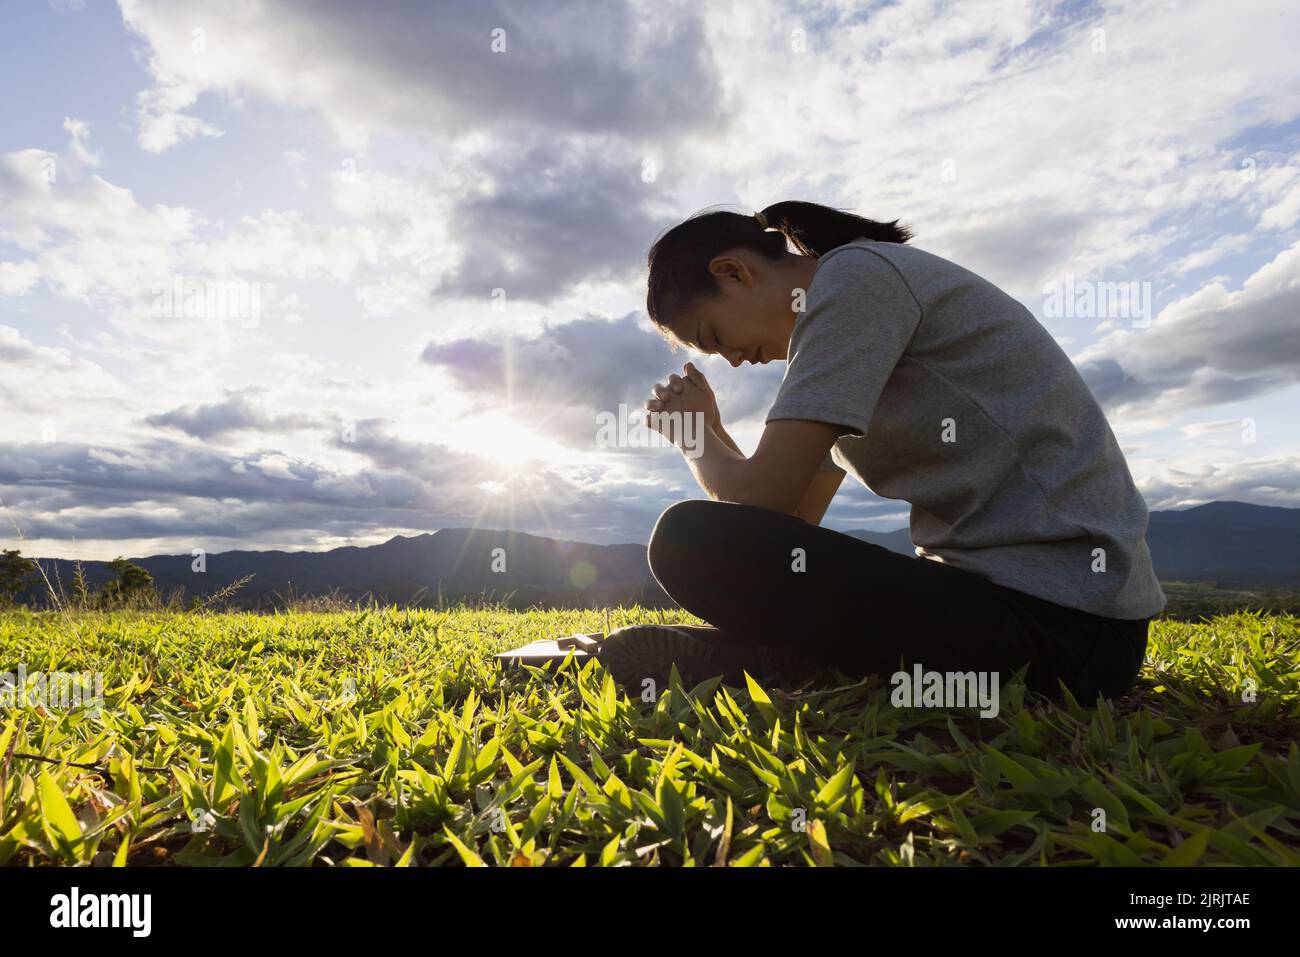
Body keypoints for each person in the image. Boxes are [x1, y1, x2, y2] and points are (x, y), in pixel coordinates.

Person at [597, 201, 1164, 703]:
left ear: (733, 272)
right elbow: (786, 526)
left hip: (1070, 628)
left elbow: (758, 500)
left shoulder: (857, 281)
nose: (734, 360)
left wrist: (692, 437)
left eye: (714, 336)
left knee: (689, 539)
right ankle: (786, 659)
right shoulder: (842, 333)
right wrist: (715, 433)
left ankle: (805, 657)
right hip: (1015, 613)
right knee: (714, 544)